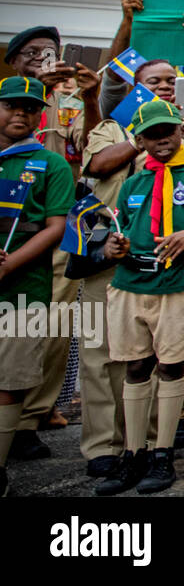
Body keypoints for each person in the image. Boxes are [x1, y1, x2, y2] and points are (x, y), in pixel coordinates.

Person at [81, 59, 184, 469]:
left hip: (179, 283)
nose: (161, 140)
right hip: (133, 283)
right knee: (134, 364)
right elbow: (125, 226)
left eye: (168, 131)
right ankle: (132, 452)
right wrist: (116, 245)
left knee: (171, 366)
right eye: (151, 134)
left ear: (182, 132)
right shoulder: (133, 182)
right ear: (140, 139)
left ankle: (162, 451)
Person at [4, 26, 101, 457]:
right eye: (32, 52)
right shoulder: (9, 102)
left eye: (50, 52)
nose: (43, 59)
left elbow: (92, 149)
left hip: (58, 225)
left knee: (52, 323)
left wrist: (88, 97)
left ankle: (31, 417)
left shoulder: (71, 102)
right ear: (13, 61)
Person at [0, 77, 75, 498]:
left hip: (23, 287)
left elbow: (55, 226)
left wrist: (9, 262)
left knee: (8, 380)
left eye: (30, 108)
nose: (21, 114)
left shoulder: (50, 163)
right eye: (12, 105)